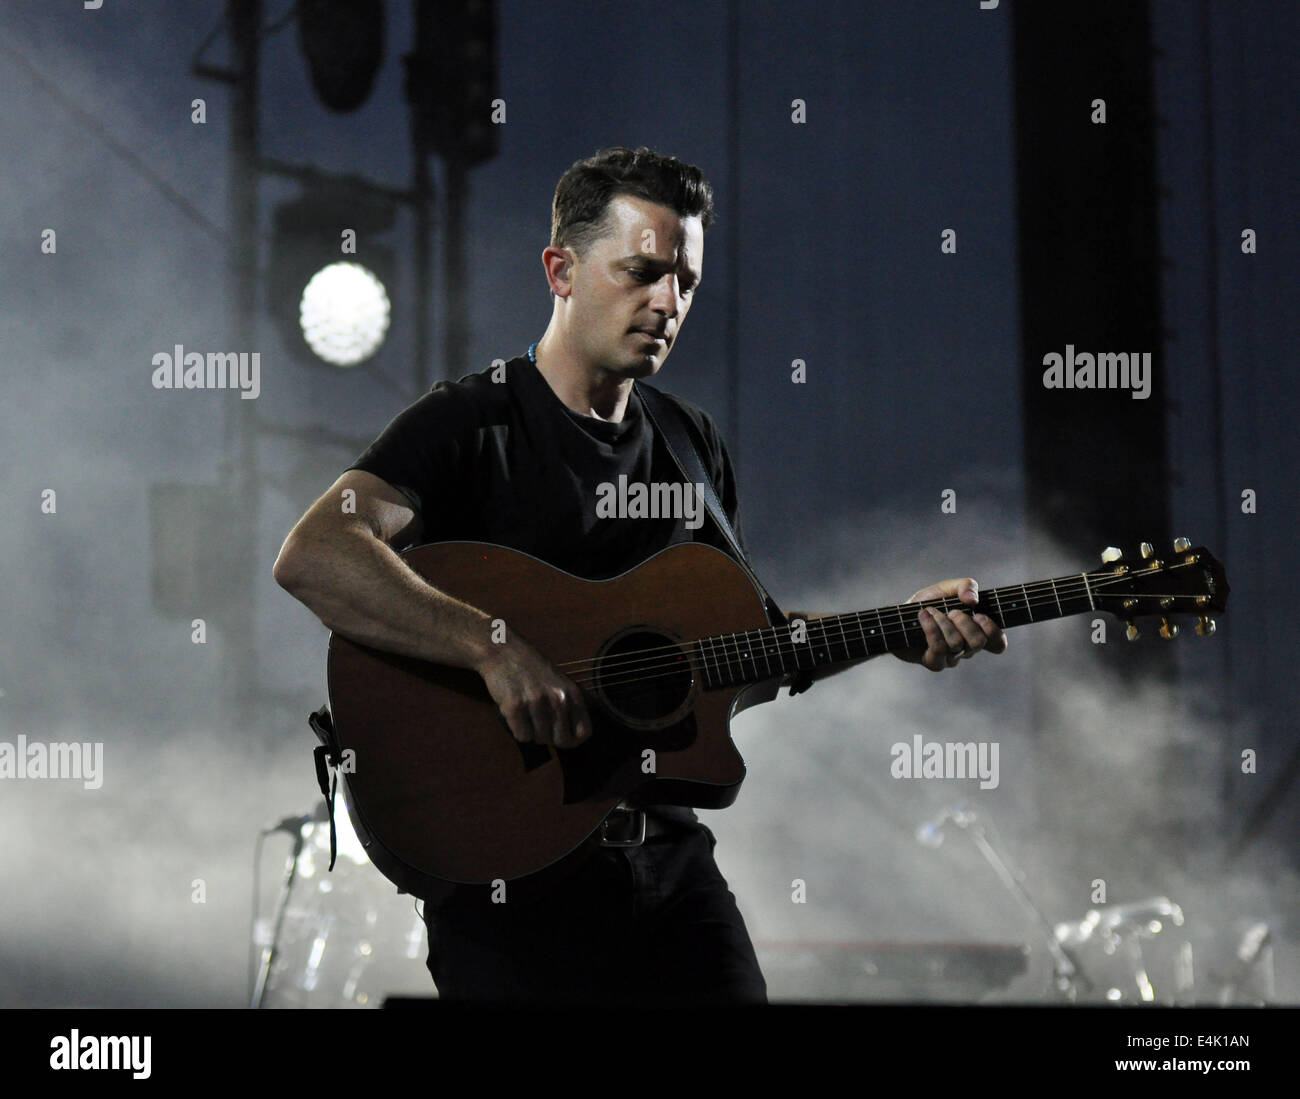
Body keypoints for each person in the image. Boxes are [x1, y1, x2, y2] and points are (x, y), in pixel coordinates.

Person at [272, 146, 1007, 1007]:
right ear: (562, 270)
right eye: (642, 272)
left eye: (685, 282)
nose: (667, 302)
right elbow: (315, 554)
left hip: (670, 865)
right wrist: (493, 649)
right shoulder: (470, 422)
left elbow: (737, 658)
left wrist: (894, 629)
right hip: (512, 882)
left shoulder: (691, 446)